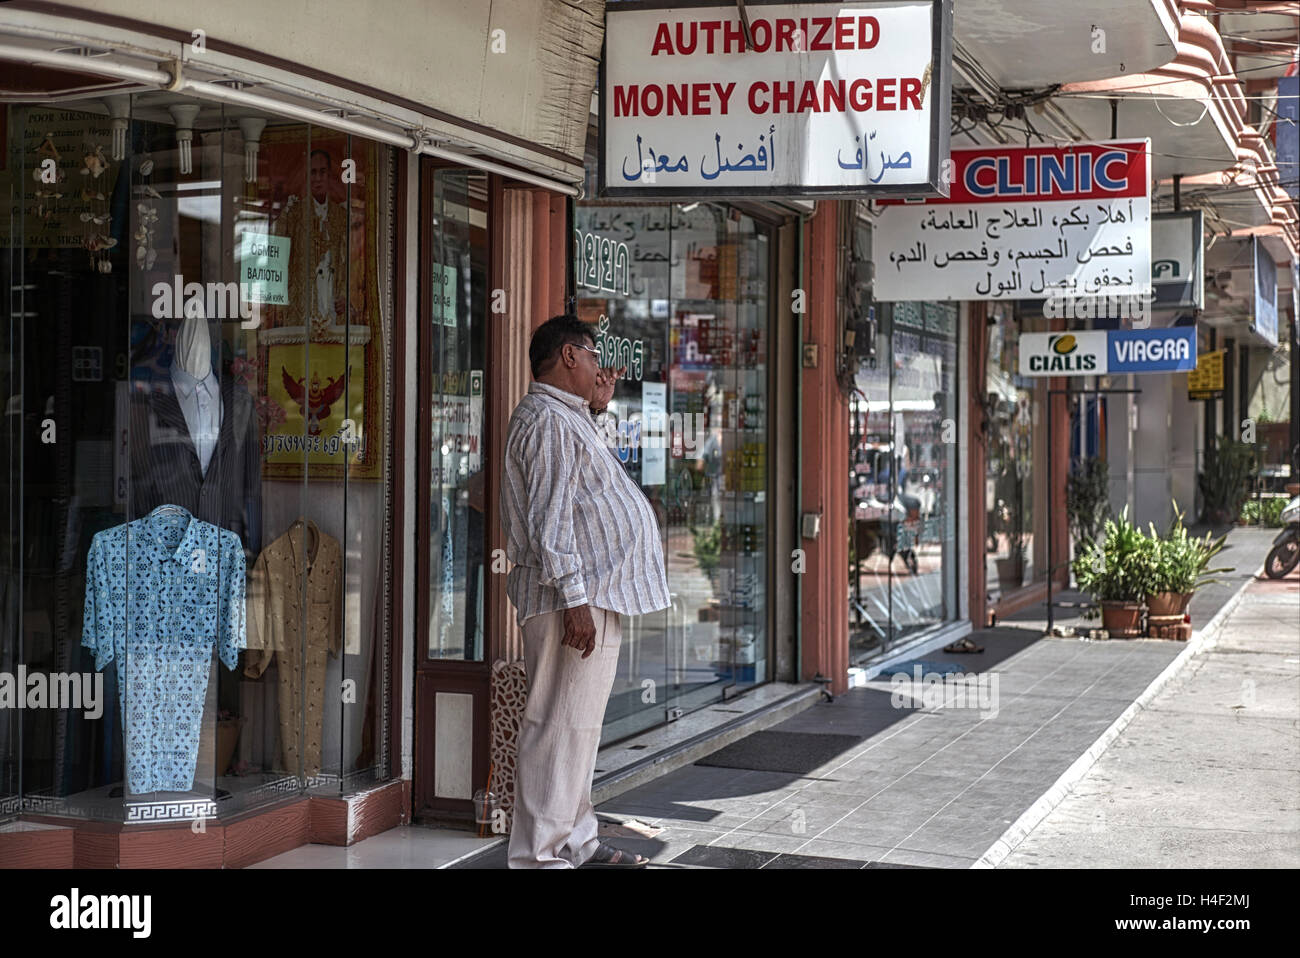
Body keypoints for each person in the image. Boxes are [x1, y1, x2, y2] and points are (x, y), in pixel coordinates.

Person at [501, 314, 670, 869]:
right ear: (569, 356)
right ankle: (540, 856)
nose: (601, 370)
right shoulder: (547, 421)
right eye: (595, 358)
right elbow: (552, 521)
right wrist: (575, 600)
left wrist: (596, 410)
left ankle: (576, 841)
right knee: (557, 727)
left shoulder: (566, 418)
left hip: (590, 594)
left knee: (577, 729)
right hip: (570, 597)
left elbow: (582, 494)